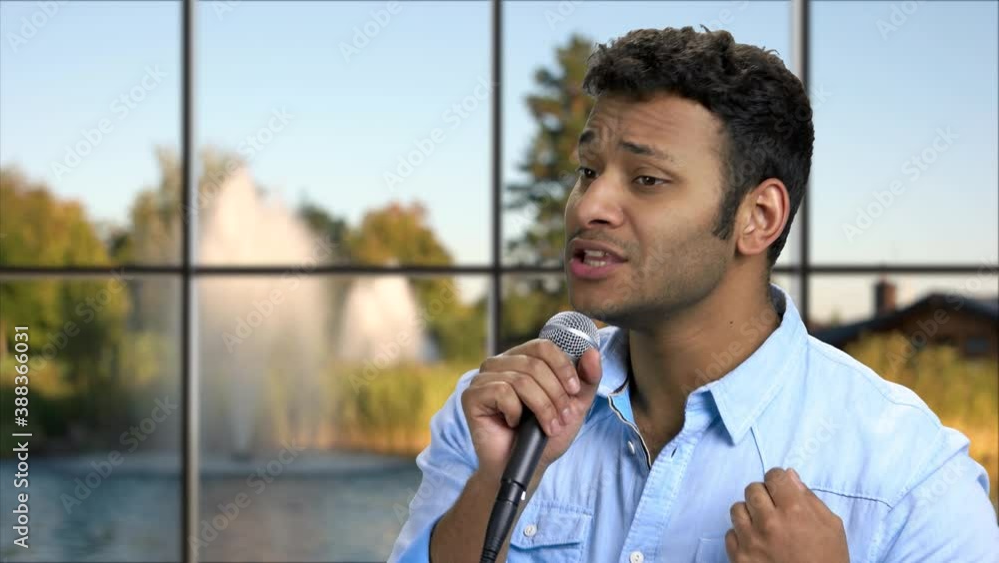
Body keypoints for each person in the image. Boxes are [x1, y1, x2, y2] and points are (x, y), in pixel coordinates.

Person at [389, 26, 999, 563]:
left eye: (647, 179)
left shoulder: (911, 479)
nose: (590, 206)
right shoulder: (495, 418)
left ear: (758, 217)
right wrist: (496, 483)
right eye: (588, 170)